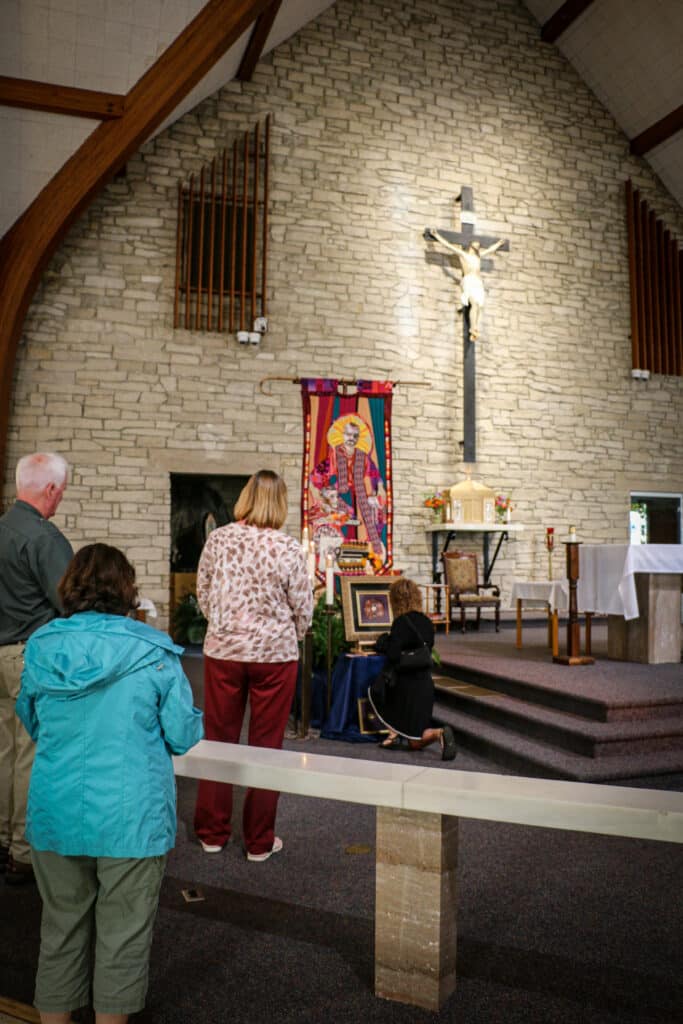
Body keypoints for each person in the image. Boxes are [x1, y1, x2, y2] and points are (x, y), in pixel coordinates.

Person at [16, 543, 203, 1024]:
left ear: (69, 587)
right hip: (130, 816)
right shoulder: (154, 652)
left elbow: (32, 722)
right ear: (127, 590)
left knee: (59, 930)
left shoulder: (40, 647)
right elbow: (183, 736)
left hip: (56, 809)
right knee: (123, 935)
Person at [193, 469, 313, 861]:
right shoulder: (289, 548)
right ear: (279, 503)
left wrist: (225, 624)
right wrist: (287, 634)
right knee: (267, 747)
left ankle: (212, 833)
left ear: (245, 498)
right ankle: (259, 842)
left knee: (219, 739)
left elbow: (204, 592)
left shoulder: (218, 539)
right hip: (274, 657)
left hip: (224, 651)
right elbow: (303, 609)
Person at [0, 451, 73, 886]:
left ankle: (2, 838)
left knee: (4, 752)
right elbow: (71, 599)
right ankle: (23, 854)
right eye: (60, 492)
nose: (59, 500)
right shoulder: (43, 538)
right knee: (29, 753)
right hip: (27, 657)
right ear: (49, 489)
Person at [368, 577, 456, 759]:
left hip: (406, 687)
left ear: (395, 600)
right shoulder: (427, 622)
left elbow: (393, 656)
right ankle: (438, 733)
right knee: (415, 742)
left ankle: (400, 733)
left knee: (377, 690)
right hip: (425, 686)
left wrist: (383, 643)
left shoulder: (401, 623)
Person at [311, 413, 386, 563]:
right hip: (340, 495)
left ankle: (370, 553)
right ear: (342, 435)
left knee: (376, 510)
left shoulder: (362, 456)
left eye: (355, 436)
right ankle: (336, 555)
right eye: (348, 434)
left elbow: (374, 473)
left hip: (359, 496)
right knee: (335, 516)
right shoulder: (334, 455)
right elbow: (316, 476)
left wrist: (380, 487)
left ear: (359, 438)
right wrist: (320, 495)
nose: (351, 438)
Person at [428, 228, 505, 341]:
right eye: (476, 243)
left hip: (478, 283)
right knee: (474, 304)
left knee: (480, 306)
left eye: (479, 244)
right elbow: (448, 246)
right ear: (471, 245)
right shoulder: (464, 255)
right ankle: (473, 328)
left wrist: (498, 244)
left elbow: (490, 250)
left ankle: (476, 328)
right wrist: (437, 236)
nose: (478, 245)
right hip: (469, 281)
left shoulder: (478, 256)